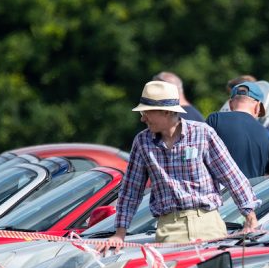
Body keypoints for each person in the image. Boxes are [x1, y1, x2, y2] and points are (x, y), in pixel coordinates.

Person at [106, 80, 260, 247]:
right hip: (169, 230)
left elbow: (231, 175)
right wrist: (119, 233)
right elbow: (131, 191)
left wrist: (250, 217)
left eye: (146, 112)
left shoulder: (203, 133)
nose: (143, 118)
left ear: (166, 112)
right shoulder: (142, 142)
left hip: (208, 225)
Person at [205, 81, 269, 179]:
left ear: (230, 104)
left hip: (215, 192)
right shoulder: (267, 135)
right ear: (258, 106)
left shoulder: (214, 119)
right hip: (250, 193)